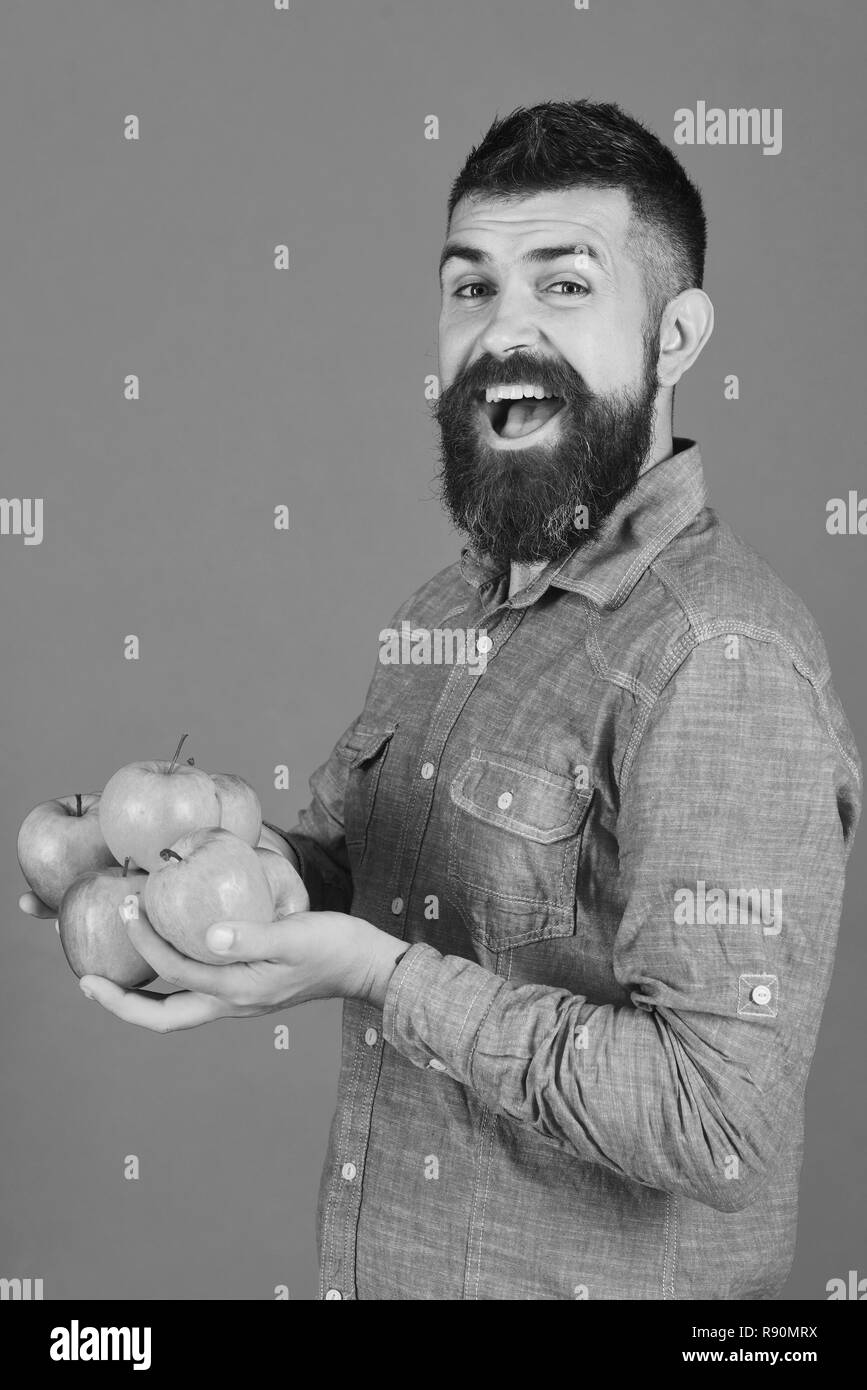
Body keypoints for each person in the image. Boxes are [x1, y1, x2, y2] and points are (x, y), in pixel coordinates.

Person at [22, 100, 862, 1301]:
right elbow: (353, 870)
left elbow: (716, 1117)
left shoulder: (721, 655)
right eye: (471, 289)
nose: (503, 331)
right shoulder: (453, 602)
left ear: (677, 335)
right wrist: (183, 885)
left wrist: (375, 974)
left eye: (563, 286)